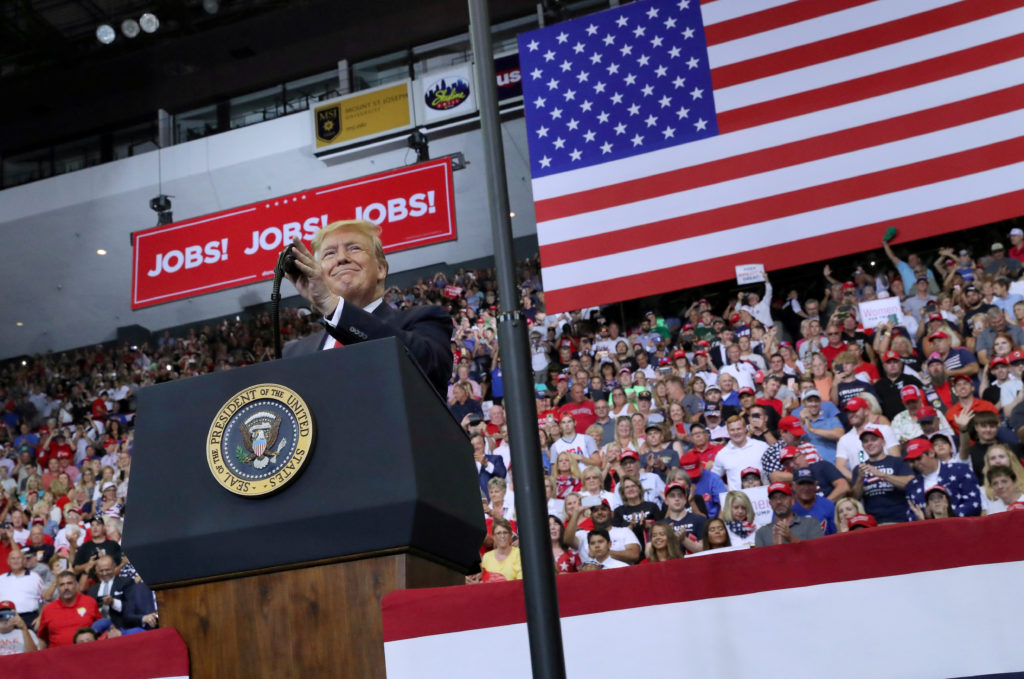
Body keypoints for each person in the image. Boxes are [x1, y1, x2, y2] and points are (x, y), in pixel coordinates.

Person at [283, 220, 453, 396]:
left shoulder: (425, 319)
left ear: (380, 269)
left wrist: (333, 306)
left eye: (354, 248)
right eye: (329, 253)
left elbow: (430, 368)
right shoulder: (293, 353)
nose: (341, 258)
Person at [903, 438, 981, 520]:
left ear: (931, 453)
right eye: (912, 460)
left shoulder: (959, 470)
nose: (916, 463)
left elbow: (973, 503)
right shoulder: (912, 485)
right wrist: (924, 519)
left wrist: (947, 516)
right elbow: (911, 514)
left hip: (961, 525)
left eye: (918, 458)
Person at [851, 424, 914, 524]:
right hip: (873, 523)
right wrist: (860, 478)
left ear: (883, 442)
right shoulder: (858, 469)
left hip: (900, 519)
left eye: (873, 439)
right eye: (865, 441)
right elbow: (854, 498)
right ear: (863, 446)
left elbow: (910, 484)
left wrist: (882, 474)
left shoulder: (898, 462)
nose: (869, 443)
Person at [86, 555, 158, 632]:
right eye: (101, 571)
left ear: (114, 567)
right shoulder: (92, 590)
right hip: (99, 629)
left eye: (107, 570)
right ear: (96, 570)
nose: (104, 573)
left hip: (122, 627)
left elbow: (131, 608)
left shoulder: (125, 582)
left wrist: (113, 602)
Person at [36, 570, 101, 648]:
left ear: (76, 585)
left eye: (69, 583)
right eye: (62, 585)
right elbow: (42, 639)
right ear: (57, 588)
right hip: (58, 654)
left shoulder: (90, 602)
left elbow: (101, 630)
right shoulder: (48, 609)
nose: (66, 587)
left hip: (87, 652)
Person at [565, 499, 640, 564]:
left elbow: (634, 555)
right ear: (591, 516)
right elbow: (567, 540)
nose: (600, 512)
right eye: (595, 510)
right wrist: (576, 512)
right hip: (592, 575)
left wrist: (604, 554)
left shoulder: (624, 531)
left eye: (603, 509)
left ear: (611, 514)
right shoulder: (583, 535)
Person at [754, 482, 824, 546]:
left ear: (792, 500)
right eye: (774, 498)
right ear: (770, 503)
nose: (778, 501)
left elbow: (818, 550)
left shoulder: (811, 523)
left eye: (783, 497)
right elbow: (761, 556)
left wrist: (790, 537)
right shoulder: (761, 533)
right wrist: (775, 548)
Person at [712, 415, 768, 489]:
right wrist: (728, 489)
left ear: (745, 429)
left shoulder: (762, 446)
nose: (736, 432)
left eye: (739, 429)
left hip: (762, 495)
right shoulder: (722, 454)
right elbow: (713, 478)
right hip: (737, 496)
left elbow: (773, 471)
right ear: (728, 432)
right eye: (732, 430)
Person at [0, 551, 42, 627]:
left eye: (18, 558)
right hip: (4, 619)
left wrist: (40, 617)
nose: (16, 561)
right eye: (13, 558)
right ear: (8, 562)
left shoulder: (35, 577)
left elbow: (45, 600)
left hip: (29, 619)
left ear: (24, 560)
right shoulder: (1, 578)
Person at [790, 468, 837, 535]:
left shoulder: (828, 505)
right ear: (793, 486)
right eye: (801, 483)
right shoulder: (786, 508)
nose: (806, 488)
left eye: (809, 483)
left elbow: (835, 535)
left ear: (816, 485)